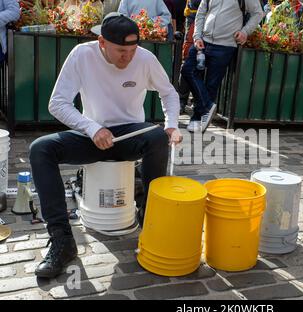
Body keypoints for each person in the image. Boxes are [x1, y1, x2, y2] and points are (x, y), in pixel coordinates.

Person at [29, 12, 182, 278]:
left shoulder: (145, 59)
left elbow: (168, 93)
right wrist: (91, 127)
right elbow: (58, 103)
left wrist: (172, 124)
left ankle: (152, 219)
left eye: (133, 50)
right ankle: (62, 241)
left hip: (130, 134)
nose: (128, 57)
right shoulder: (82, 55)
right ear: (102, 42)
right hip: (92, 134)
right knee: (40, 149)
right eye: (121, 51)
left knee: (157, 137)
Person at [180, 0, 264, 133]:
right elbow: (201, 12)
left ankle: (197, 119)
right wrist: (197, 37)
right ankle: (207, 105)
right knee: (187, 70)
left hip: (225, 46)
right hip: (203, 41)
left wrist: (245, 32)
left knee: (211, 84)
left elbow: (258, 13)